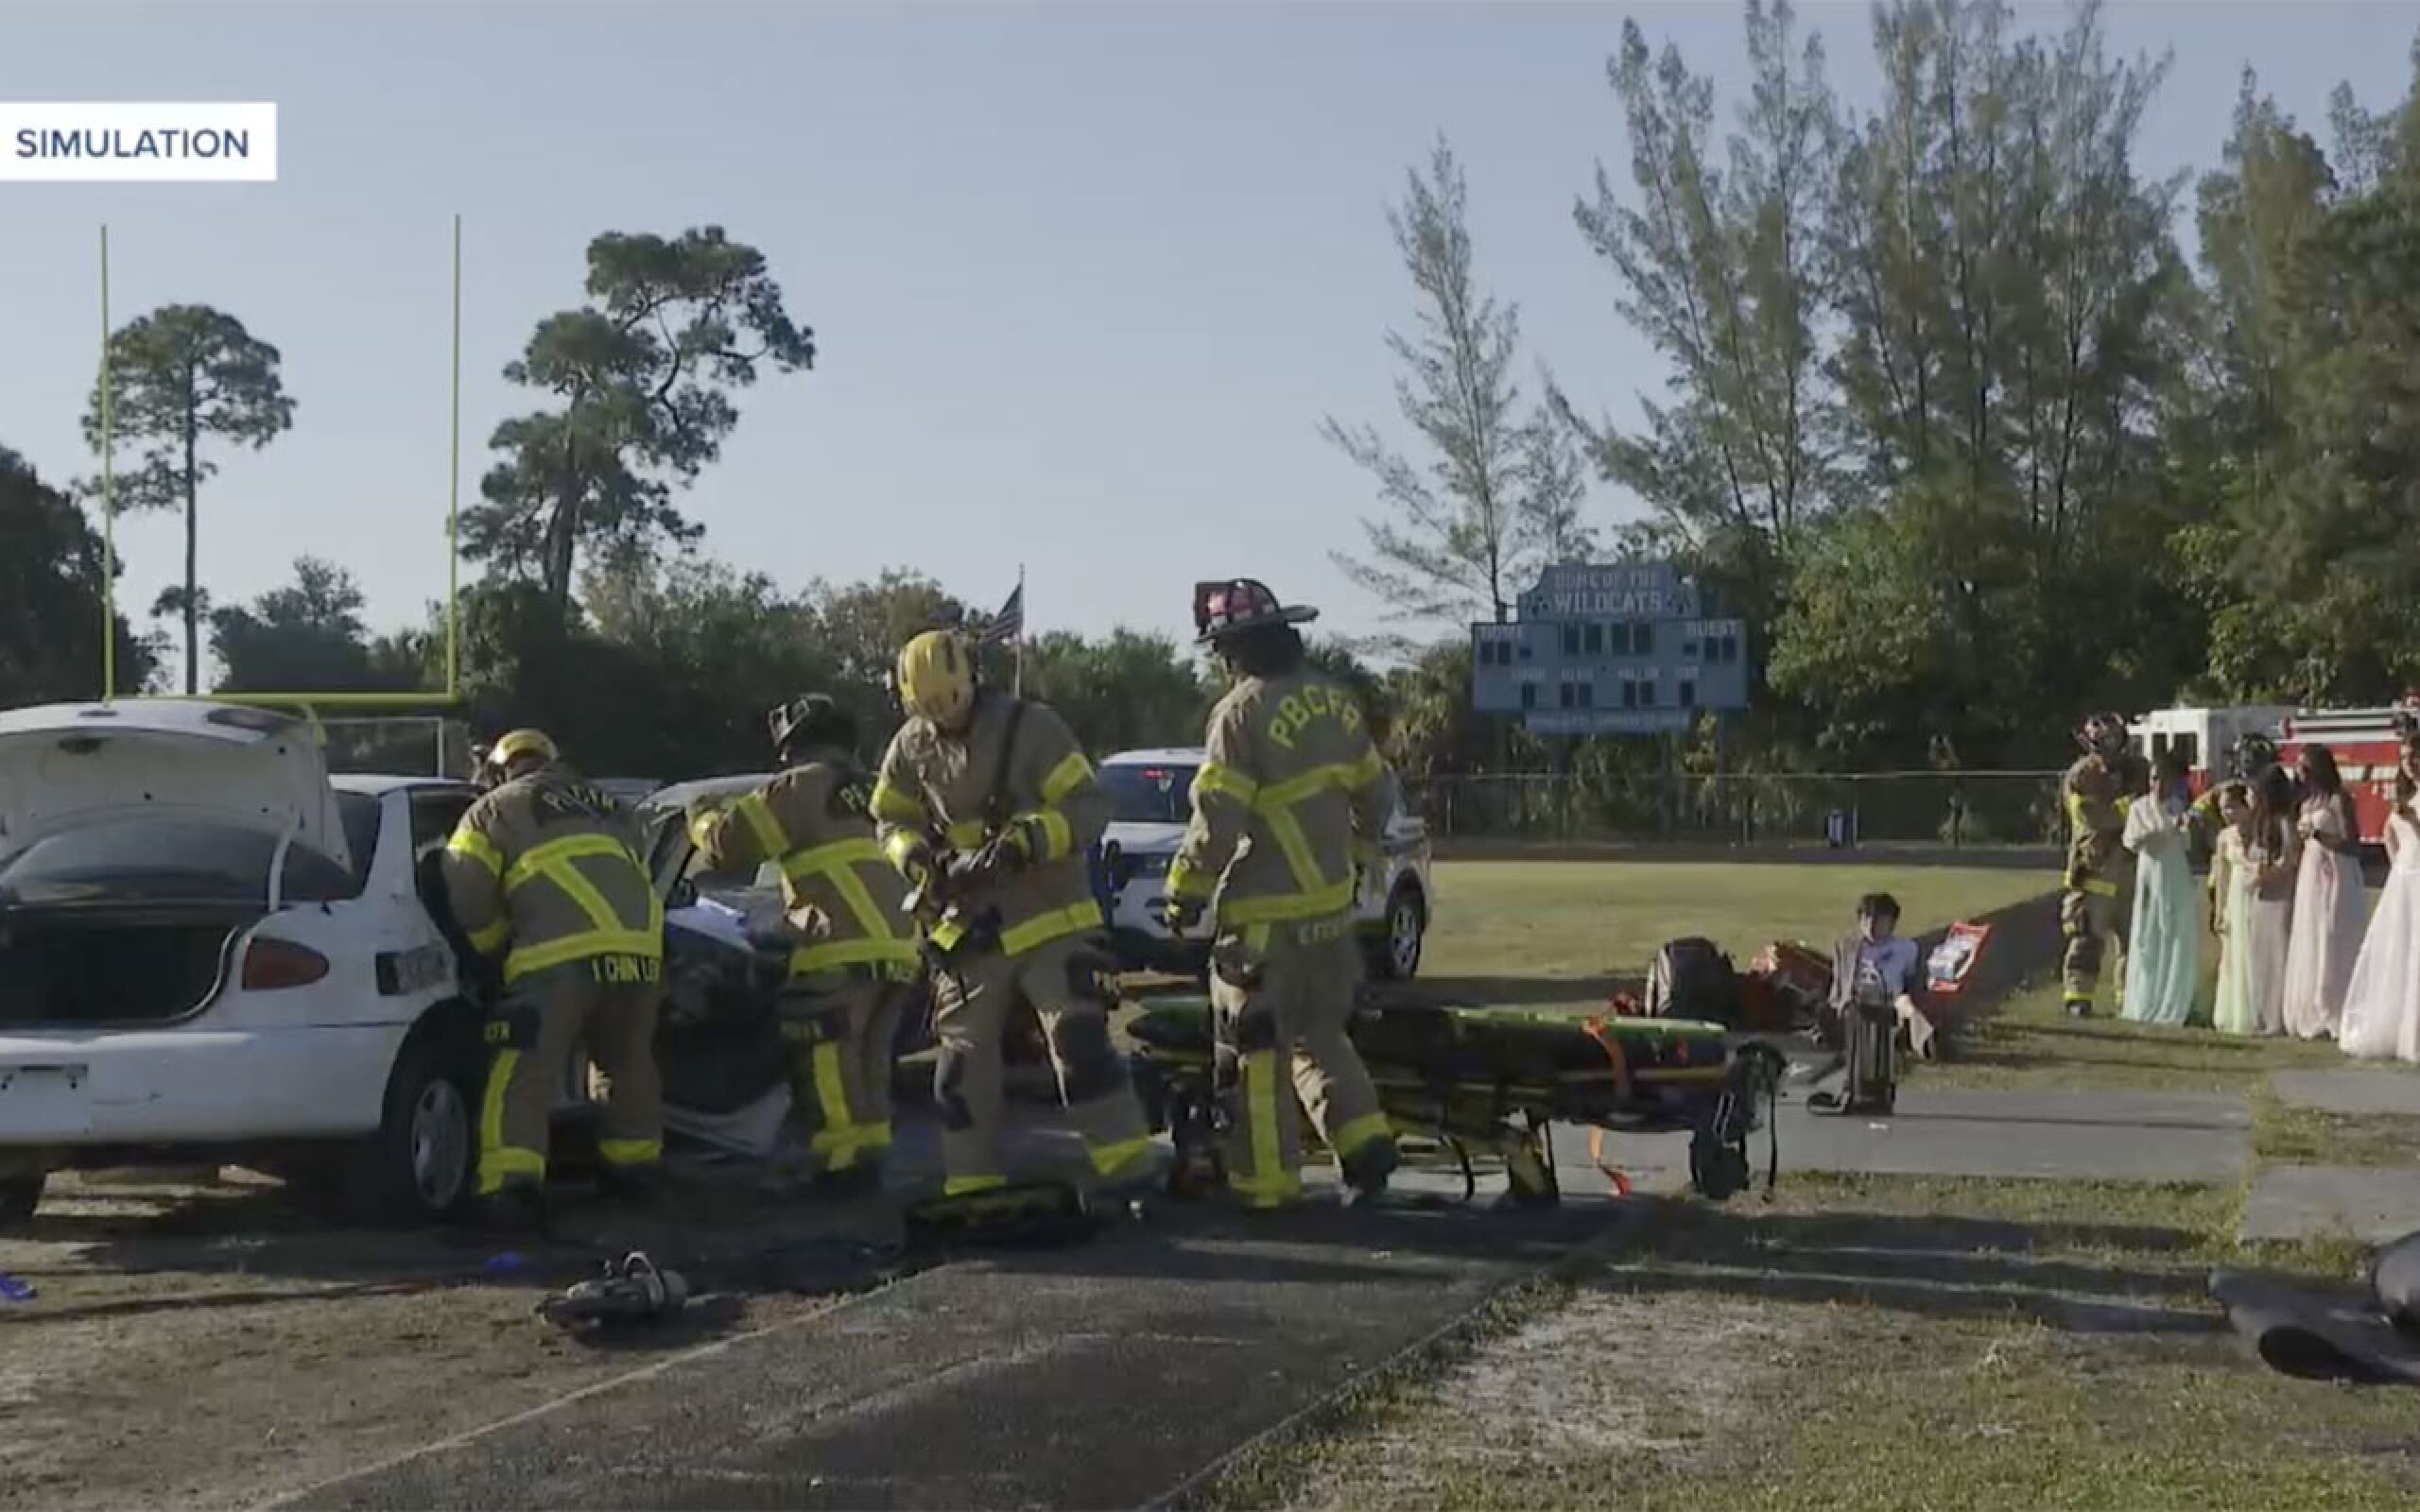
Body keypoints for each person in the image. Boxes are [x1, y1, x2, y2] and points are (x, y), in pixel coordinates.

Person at [873, 627, 1161, 1200]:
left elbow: (1088, 807)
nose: (938, 716)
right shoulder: (911, 745)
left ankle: (1129, 1172)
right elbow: (888, 820)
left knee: (1076, 1041)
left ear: (971, 681)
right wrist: (918, 858)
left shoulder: (1033, 729)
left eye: (946, 703)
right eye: (924, 707)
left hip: (1053, 917)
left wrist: (1027, 842)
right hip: (972, 926)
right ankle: (970, 1185)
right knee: (961, 1062)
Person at [1154, 578, 1403, 1210]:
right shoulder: (1337, 702)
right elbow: (1378, 796)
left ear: (1235, 649)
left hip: (1264, 928)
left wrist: (1184, 892)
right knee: (1322, 1040)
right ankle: (1367, 1150)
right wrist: (1355, 852)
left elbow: (1218, 821)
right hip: (1329, 918)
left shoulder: (1239, 714)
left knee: (1256, 1058)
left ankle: (1267, 1188)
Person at [686, 695, 921, 1194]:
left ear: (793, 747)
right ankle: (870, 1159)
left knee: (827, 1055)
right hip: (900, 947)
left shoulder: (801, 786)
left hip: (839, 945)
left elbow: (731, 845)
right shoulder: (876, 791)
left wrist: (702, 820)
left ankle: (840, 1164)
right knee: (871, 1058)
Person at [439, 728, 666, 1230]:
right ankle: (634, 1172)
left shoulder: (494, 808)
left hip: (556, 954)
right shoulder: (611, 806)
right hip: (640, 952)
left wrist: (490, 949)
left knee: (523, 1070)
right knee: (626, 1063)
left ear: (500, 770)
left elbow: (467, 892)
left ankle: (511, 1186)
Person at [2282, 745, 2367, 1040]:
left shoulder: (2338, 799)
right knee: (2312, 935)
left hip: (2338, 873)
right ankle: (2313, 1008)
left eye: (2306, 767)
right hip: (2312, 874)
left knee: (2334, 936)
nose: (2301, 773)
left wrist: (2319, 836)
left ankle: (2336, 1005)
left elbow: (2353, 844)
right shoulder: (2306, 802)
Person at [2060, 713, 2136, 1018]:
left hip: (2132, 868)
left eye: (2115, 739)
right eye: (2104, 740)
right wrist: (2129, 810)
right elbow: (2092, 816)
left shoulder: (2137, 770)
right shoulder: (2081, 775)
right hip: (2096, 869)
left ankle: (2129, 997)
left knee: (2135, 942)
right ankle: (2079, 995)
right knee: (2087, 937)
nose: (2111, 746)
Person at [2341, 770, 2420, 1063]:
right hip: (2405, 881)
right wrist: (2399, 863)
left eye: (2416, 756)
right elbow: (2389, 832)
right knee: (2398, 949)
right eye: (2406, 757)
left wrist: (2413, 823)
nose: (2410, 764)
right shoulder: (2406, 797)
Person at [2120, 746, 2203, 1027]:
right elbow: (2133, 841)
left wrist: (2185, 828)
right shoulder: (2138, 808)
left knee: (2176, 934)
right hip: (2150, 876)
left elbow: (2185, 845)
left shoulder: (2178, 807)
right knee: (2148, 935)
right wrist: (2166, 827)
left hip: (2175, 874)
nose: (2158, 785)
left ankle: (2175, 999)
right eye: (2155, 778)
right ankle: (2146, 1000)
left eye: (2164, 779)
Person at [2213, 770, 2297, 1037]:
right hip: (2260, 896)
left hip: (2278, 894)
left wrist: (2266, 873)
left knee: (2278, 954)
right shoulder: (2261, 824)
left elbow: (2290, 859)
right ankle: (2262, 1014)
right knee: (2260, 956)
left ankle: (2278, 1016)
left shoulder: (2283, 823)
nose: (2249, 797)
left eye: (2251, 792)